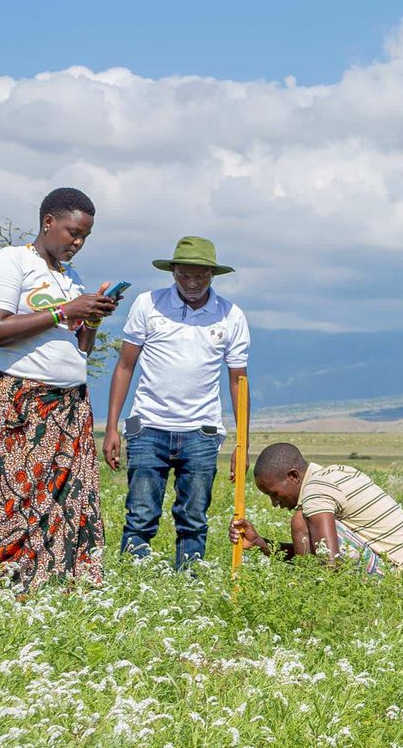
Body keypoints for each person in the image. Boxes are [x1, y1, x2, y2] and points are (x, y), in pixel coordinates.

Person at [0, 186, 124, 593]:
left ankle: (55, 586)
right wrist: (64, 310)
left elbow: (79, 346)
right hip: (23, 401)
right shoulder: (10, 262)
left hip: (70, 404)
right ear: (48, 222)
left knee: (69, 499)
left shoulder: (71, 279)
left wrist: (92, 316)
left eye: (85, 236)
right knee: (12, 495)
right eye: (72, 232)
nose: (78, 242)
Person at [103, 236, 251, 569]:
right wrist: (111, 427)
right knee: (140, 516)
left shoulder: (230, 315)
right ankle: (132, 582)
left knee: (194, 519)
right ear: (173, 272)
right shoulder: (147, 304)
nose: (193, 283)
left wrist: (242, 444)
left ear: (213, 275)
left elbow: (238, 381)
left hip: (202, 432)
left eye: (201, 276)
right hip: (147, 428)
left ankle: (189, 587)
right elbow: (125, 366)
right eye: (185, 275)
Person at [228, 442, 403, 577]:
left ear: (294, 476)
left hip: (400, 580)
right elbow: (315, 552)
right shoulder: (331, 475)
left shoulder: (316, 490)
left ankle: (311, 605)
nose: (275, 503)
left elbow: (329, 562)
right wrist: (259, 543)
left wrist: (313, 603)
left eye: (274, 493)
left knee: (300, 519)